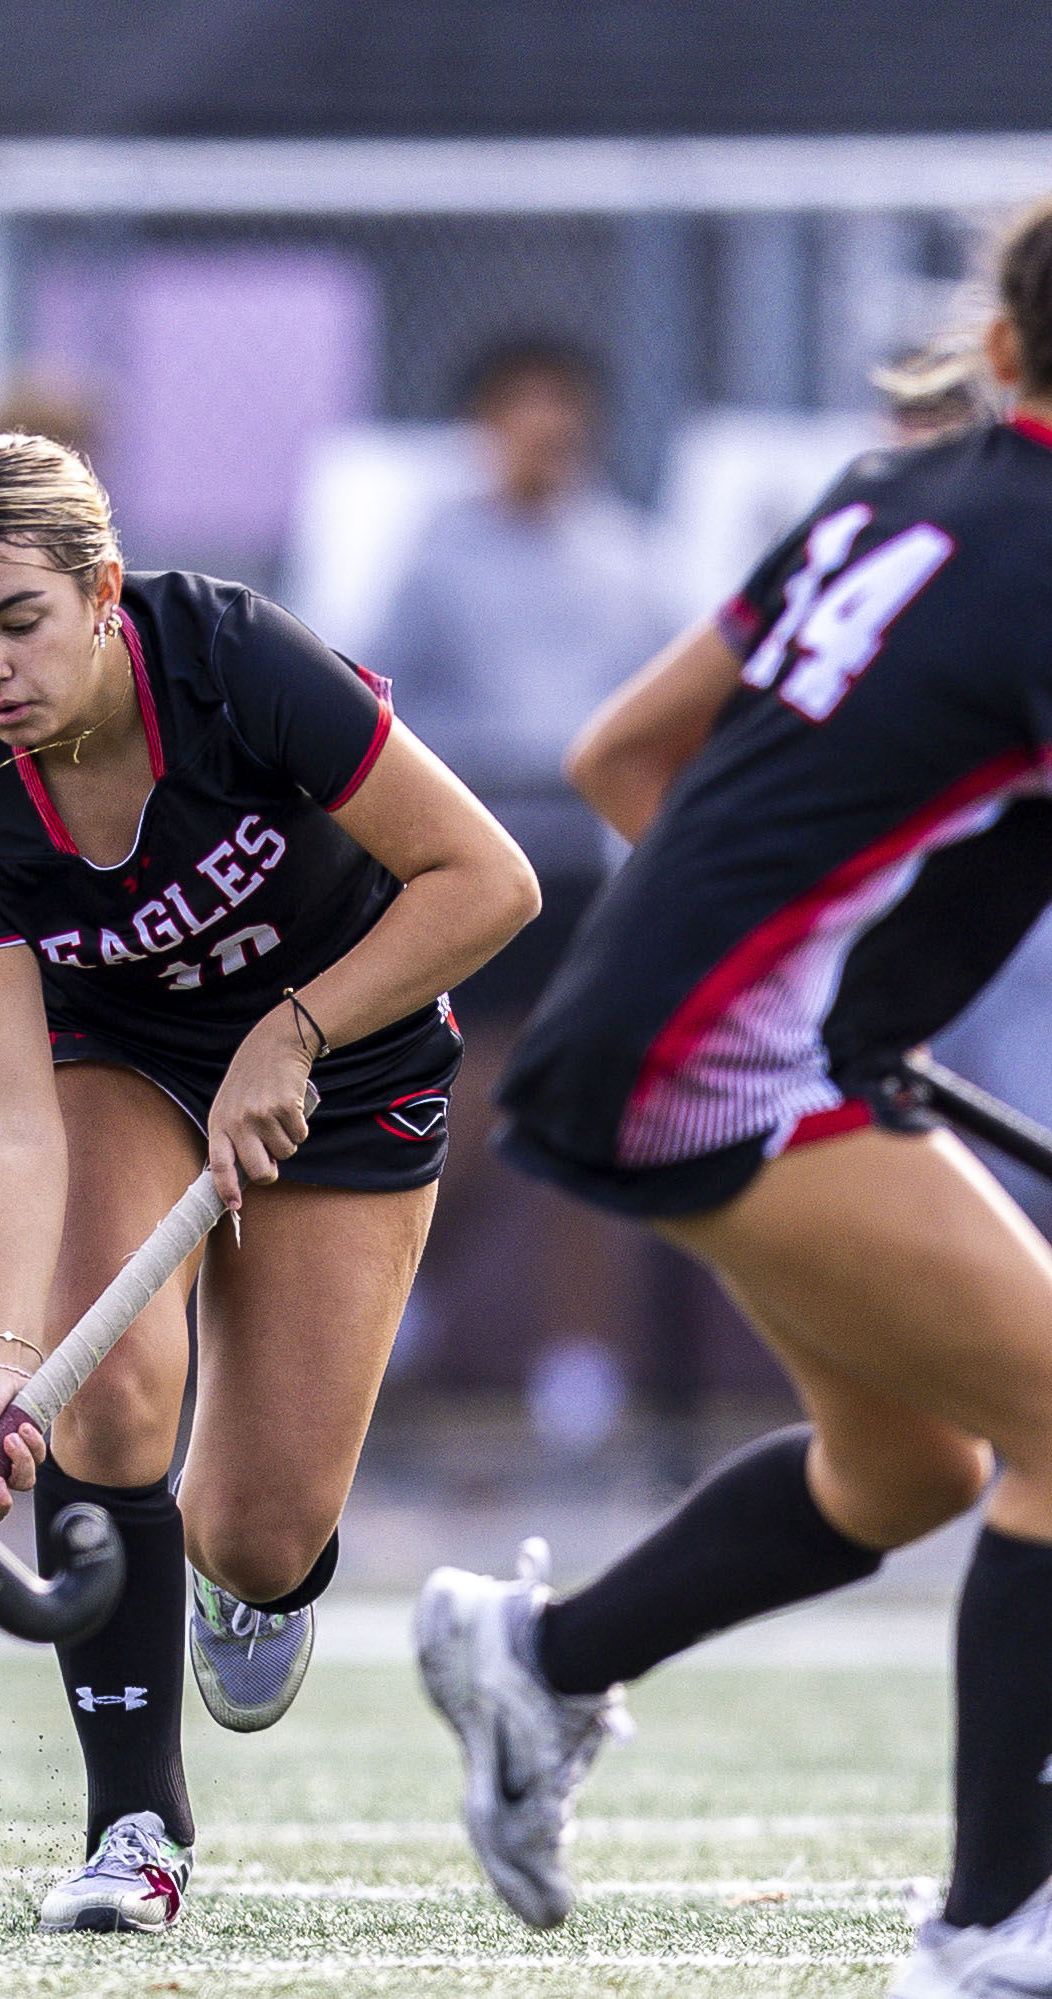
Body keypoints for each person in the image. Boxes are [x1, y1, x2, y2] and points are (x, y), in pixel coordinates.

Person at [425, 117, 1052, 1999]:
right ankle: (991, 1933)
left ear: (1000, 352)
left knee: (909, 1465)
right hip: (717, 1061)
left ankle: (534, 1660)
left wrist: (803, 982)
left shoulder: (888, 490)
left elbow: (623, 759)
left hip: (673, 1027)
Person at [0, 431, 540, 1932]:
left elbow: (487, 882)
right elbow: (7, 1118)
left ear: (100, 593)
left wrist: (296, 1024)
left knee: (262, 1533)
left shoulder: (231, 662)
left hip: (354, 1045)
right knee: (106, 1393)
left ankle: (234, 1577)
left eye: (18, 621)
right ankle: (133, 1824)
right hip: (123, 1056)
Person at [365, 338, 670, 1430]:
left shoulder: (626, 556)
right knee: (480, 1099)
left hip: (586, 876)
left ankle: (577, 1367)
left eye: (561, 408)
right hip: (471, 877)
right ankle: (399, 1300)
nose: (544, 431)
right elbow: (372, 707)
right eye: (519, 408)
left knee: (584, 1110)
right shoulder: (434, 559)